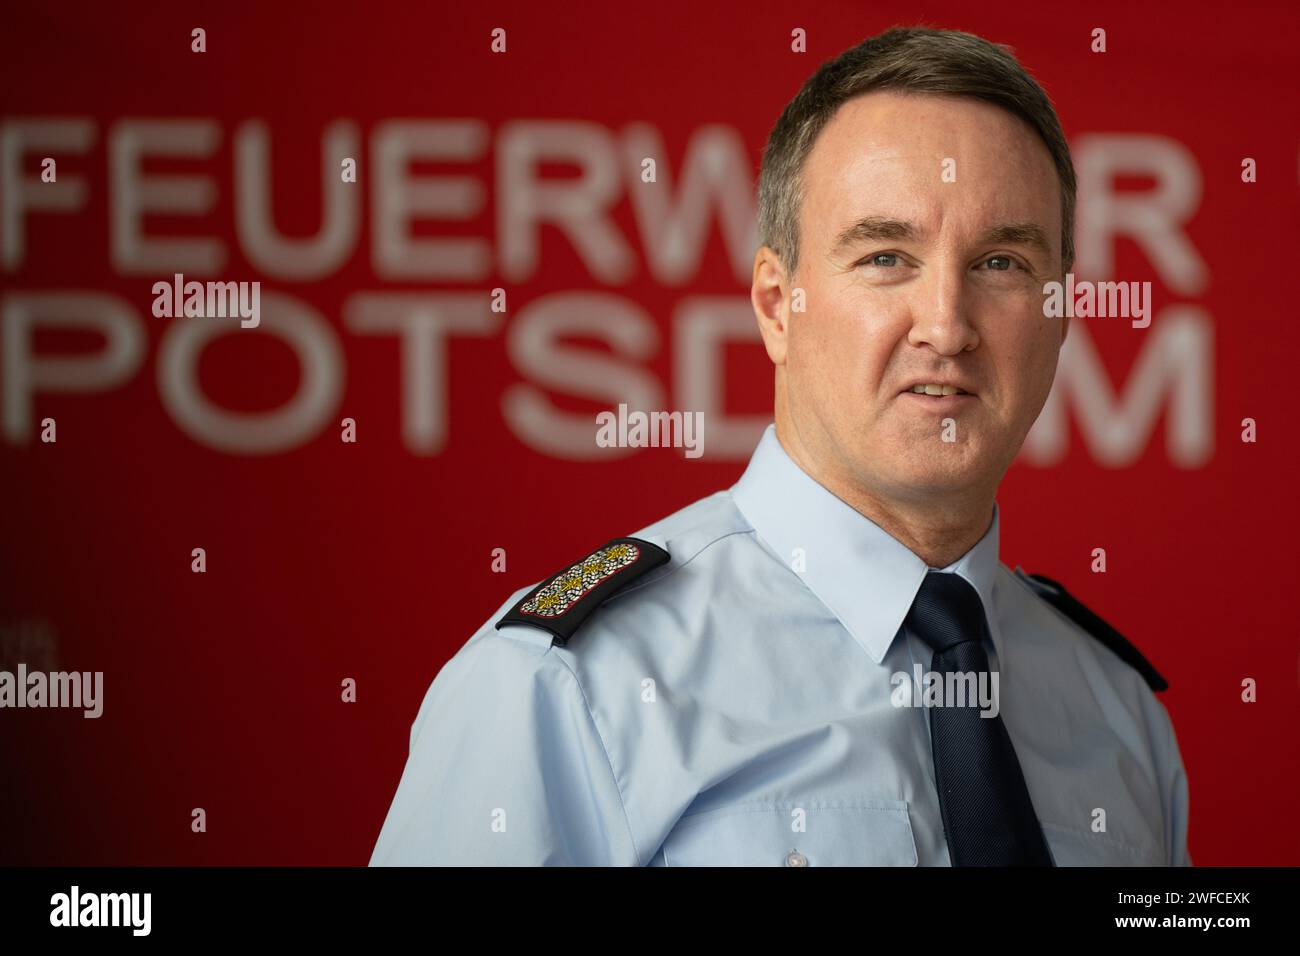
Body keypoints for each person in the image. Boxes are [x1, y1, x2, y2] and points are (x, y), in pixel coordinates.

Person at [369, 25, 1191, 867]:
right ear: (775, 305)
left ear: (1061, 313)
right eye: (885, 257)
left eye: (1002, 264)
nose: (946, 327)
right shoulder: (569, 688)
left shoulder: (1117, 712)